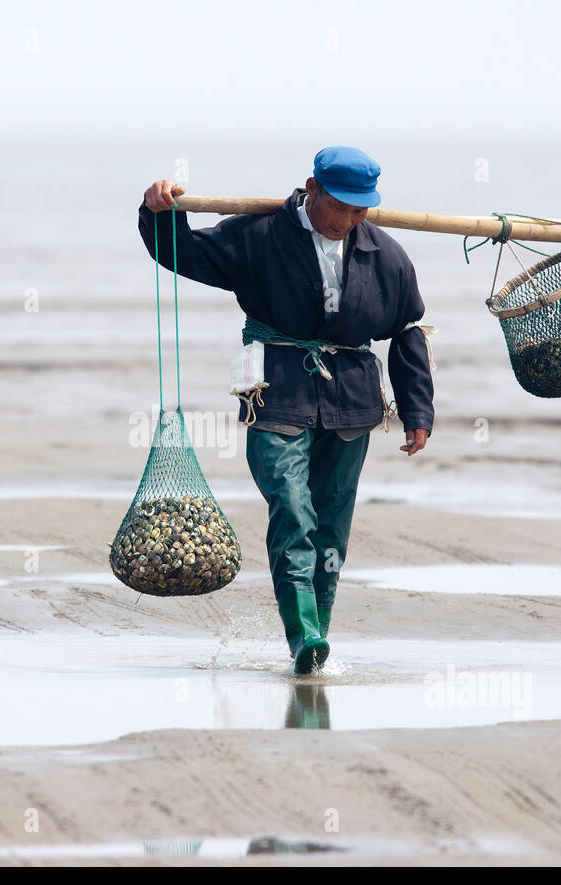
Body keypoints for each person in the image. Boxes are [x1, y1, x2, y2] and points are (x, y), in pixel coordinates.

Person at [137, 146, 433, 675]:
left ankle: (316, 638)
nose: (349, 219)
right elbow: (180, 252)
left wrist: (417, 410)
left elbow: (407, 331)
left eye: (360, 210)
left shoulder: (385, 255)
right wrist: (156, 211)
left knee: (332, 528)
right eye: (340, 205)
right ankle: (301, 635)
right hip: (276, 391)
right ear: (312, 189)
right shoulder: (258, 236)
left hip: (352, 404)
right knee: (292, 508)